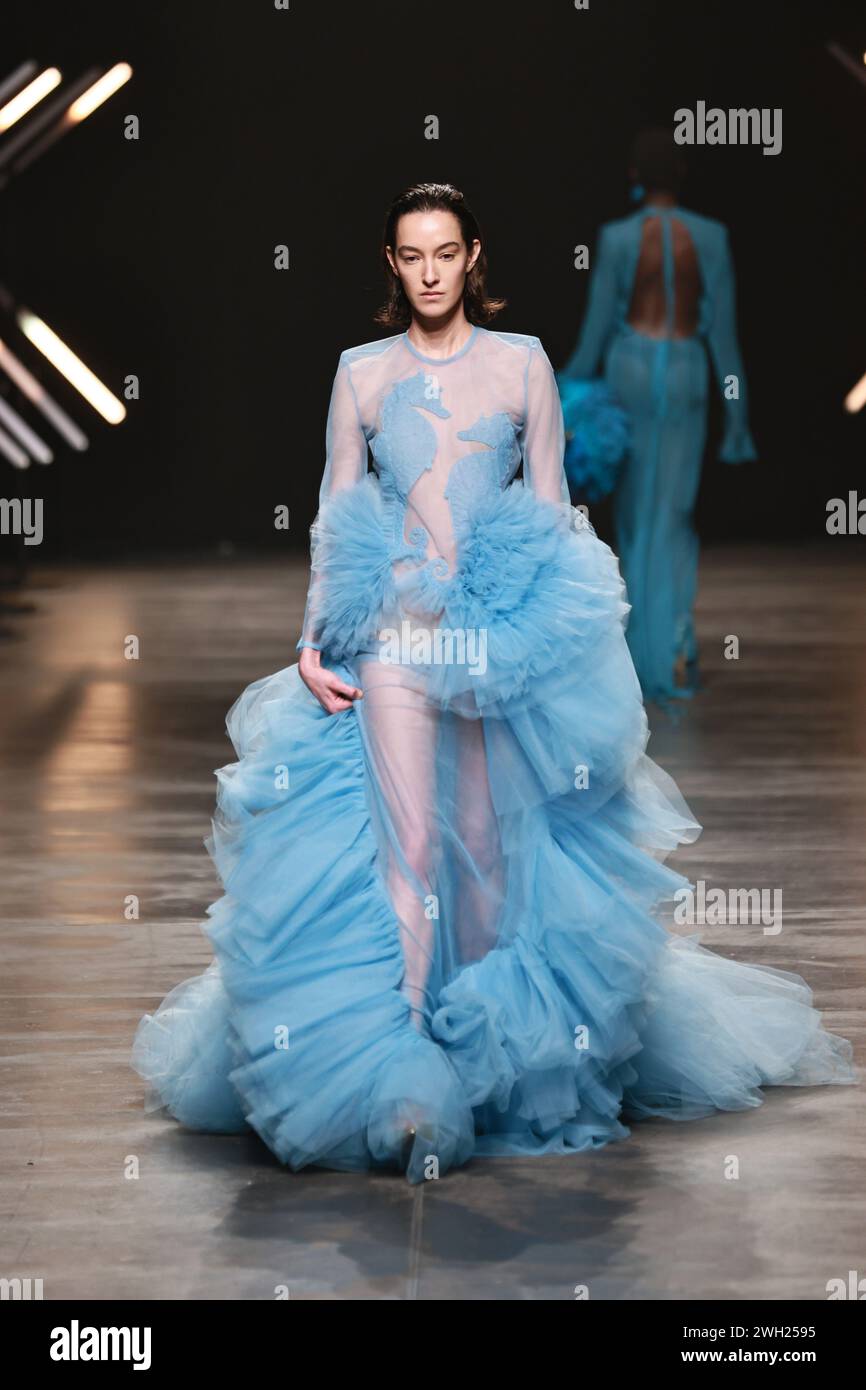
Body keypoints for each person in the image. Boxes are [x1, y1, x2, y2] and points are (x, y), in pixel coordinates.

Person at [131, 183, 856, 1184]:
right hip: (389, 629)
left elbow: (554, 515)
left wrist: (561, 643)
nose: (428, 272)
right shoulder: (360, 373)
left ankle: (482, 1055)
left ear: (473, 257)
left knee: (480, 845)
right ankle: (404, 1062)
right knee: (409, 840)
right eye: (409, 255)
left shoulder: (521, 365)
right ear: (391, 265)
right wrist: (312, 638)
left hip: (486, 644)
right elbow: (336, 509)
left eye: (444, 253)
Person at [559, 130, 757, 707]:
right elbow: (724, 337)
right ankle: (671, 643)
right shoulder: (711, 238)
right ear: (683, 172)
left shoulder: (619, 238)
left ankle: (638, 650)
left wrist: (558, 398)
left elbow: (596, 332)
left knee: (638, 514)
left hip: (631, 369)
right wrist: (738, 418)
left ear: (635, 175)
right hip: (688, 370)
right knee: (673, 513)